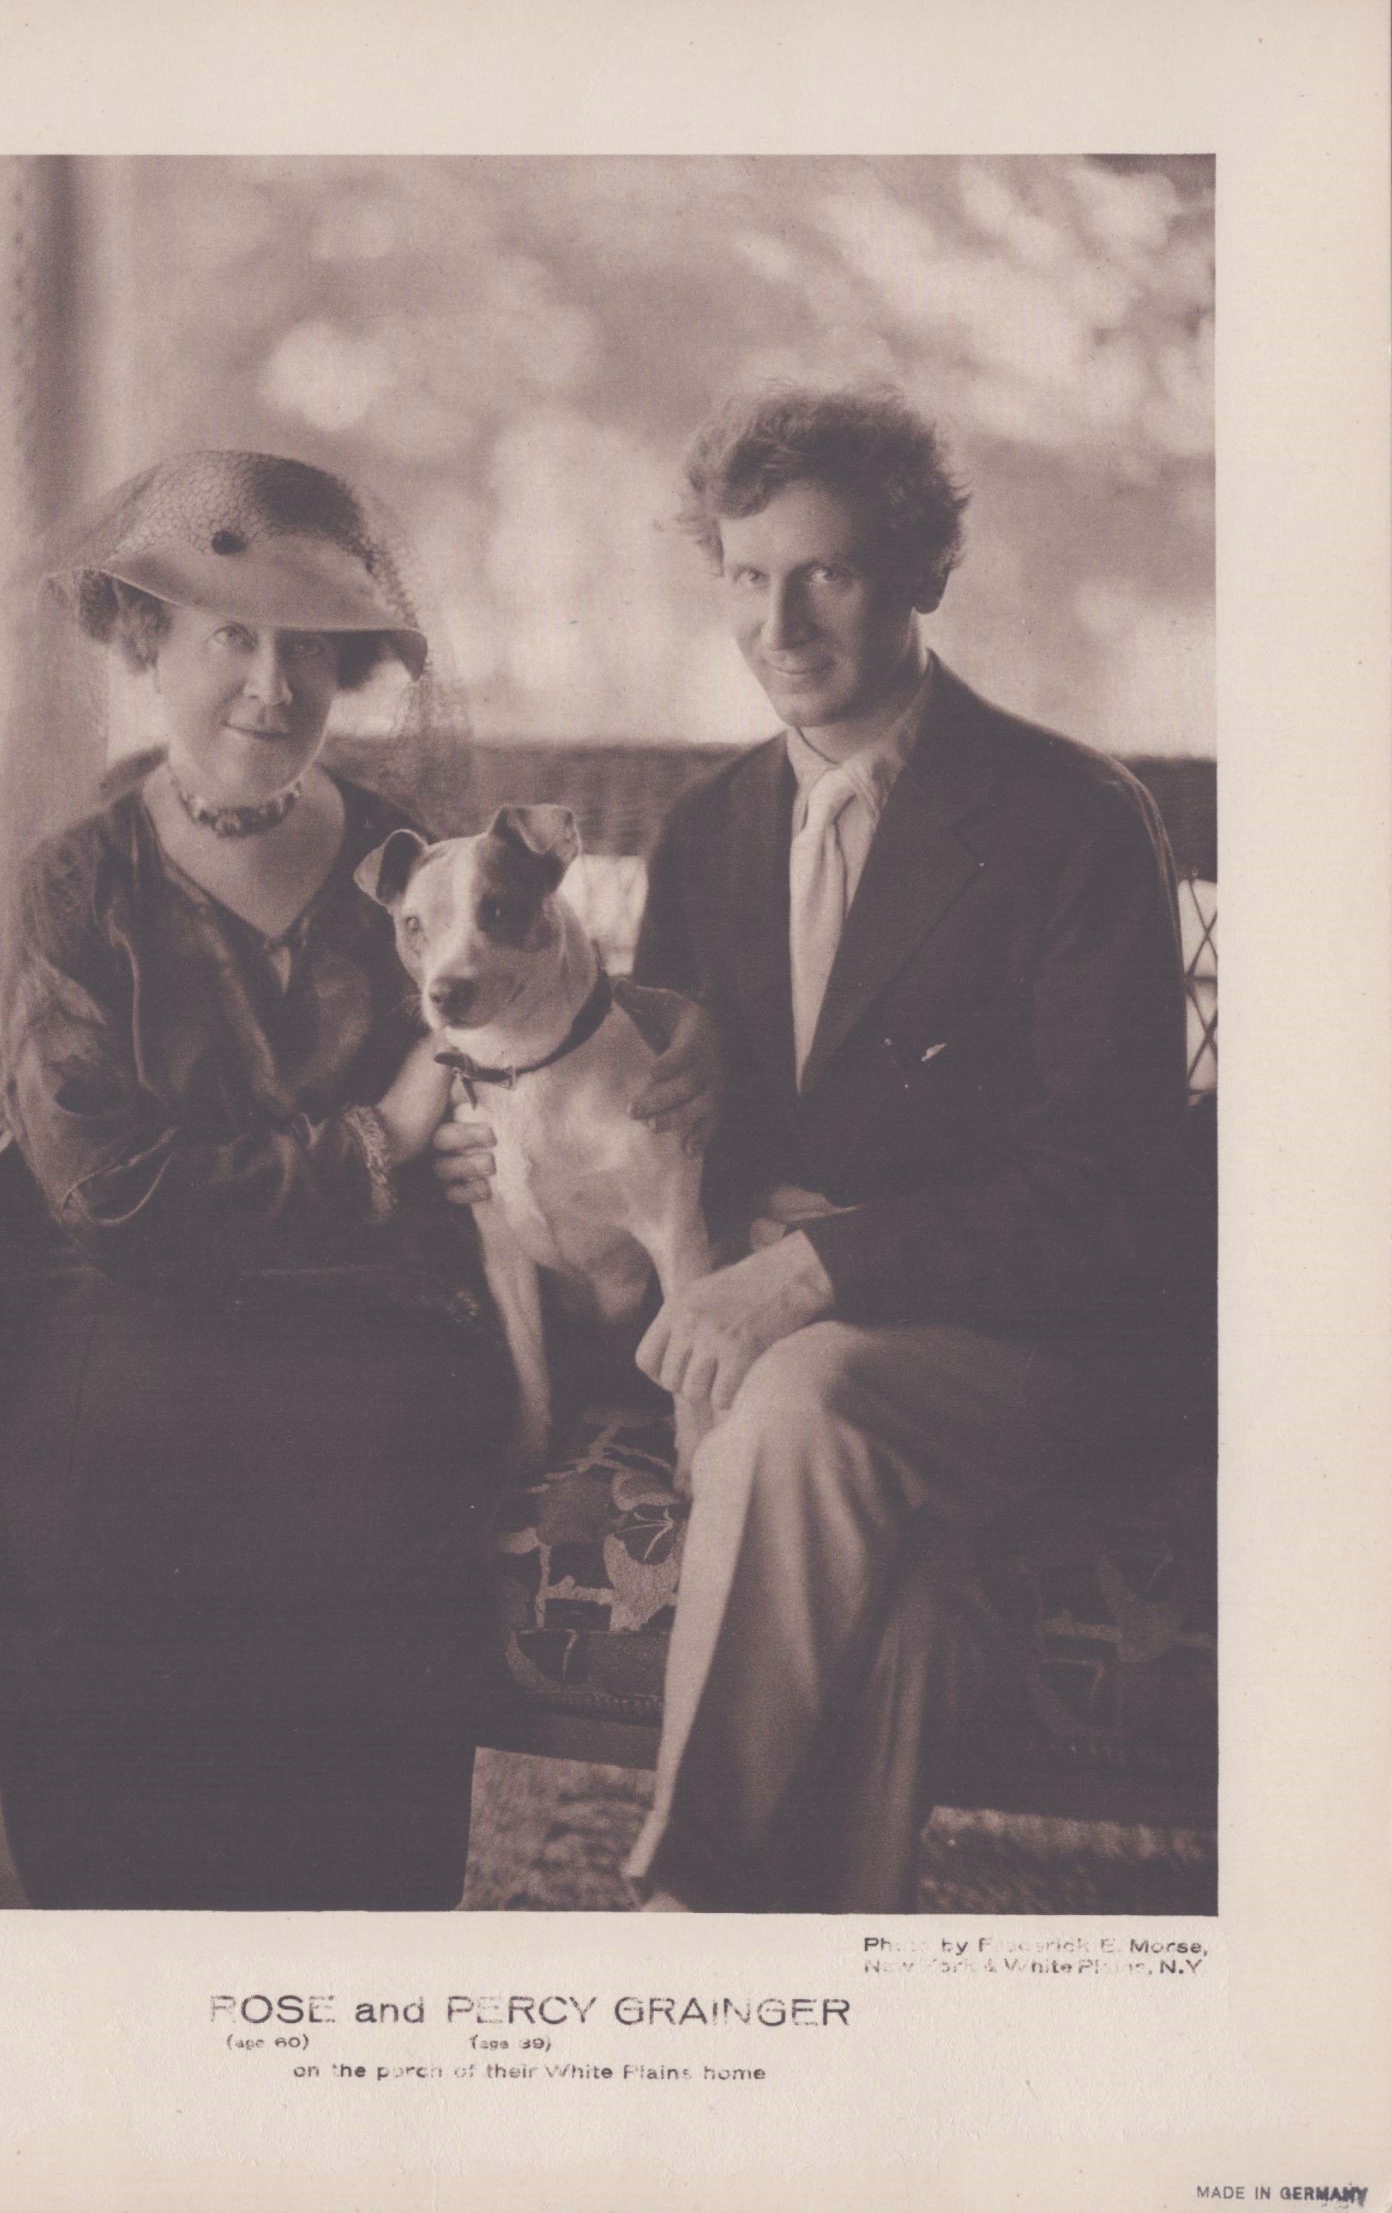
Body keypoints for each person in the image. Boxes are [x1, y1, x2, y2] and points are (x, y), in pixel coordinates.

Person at [435, 386, 1193, 1912]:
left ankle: (680, 1891)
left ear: (920, 576)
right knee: (886, 1593)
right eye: (743, 574)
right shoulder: (712, 830)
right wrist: (521, 1181)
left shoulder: (1072, 819)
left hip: (1035, 1356)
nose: (780, 621)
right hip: (824, 1407)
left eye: (827, 574)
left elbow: (1114, 1201)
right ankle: (810, 1998)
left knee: (800, 1390)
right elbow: (673, 1140)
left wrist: (817, 1267)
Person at [0, 449, 508, 1910]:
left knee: (368, 1460)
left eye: (310, 651)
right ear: (148, 641)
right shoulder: (79, 884)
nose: (274, 687)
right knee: (122, 1457)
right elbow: (117, 1196)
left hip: (380, 1322)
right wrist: (381, 1147)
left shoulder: (418, 865)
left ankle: (344, 1983)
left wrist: (479, 1130)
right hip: (140, 1310)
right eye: (234, 636)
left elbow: (509, 1057)